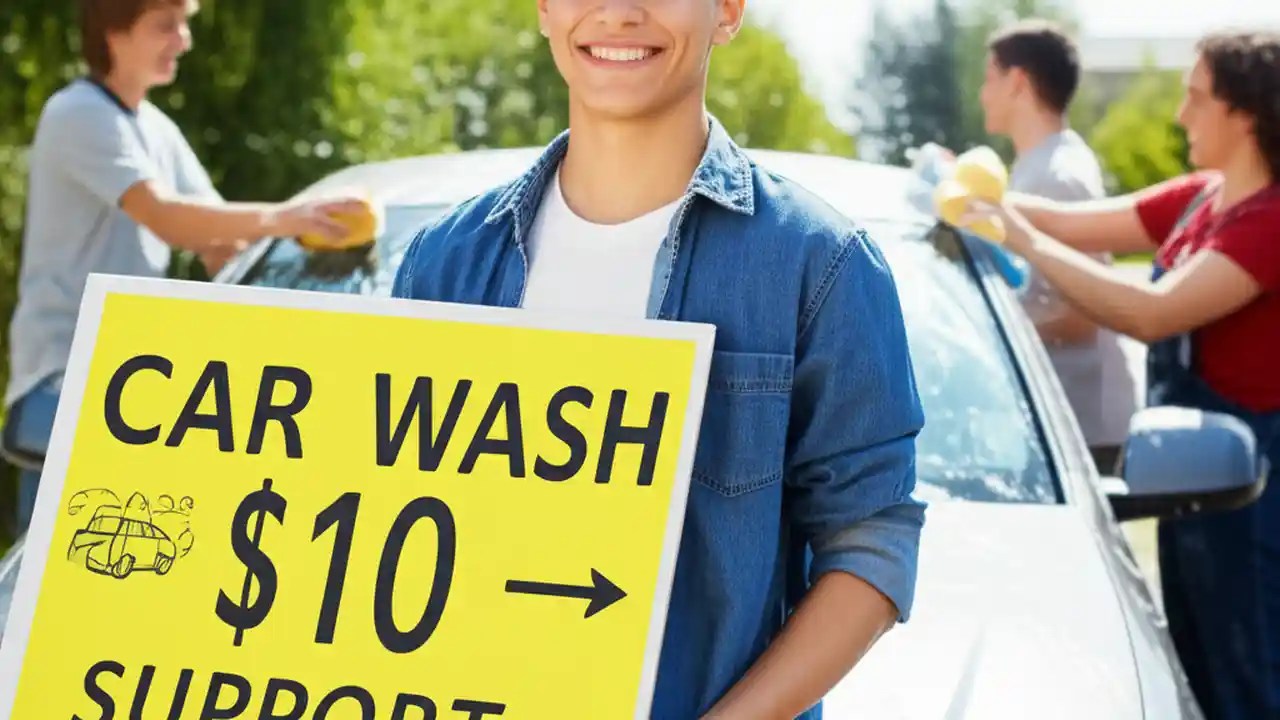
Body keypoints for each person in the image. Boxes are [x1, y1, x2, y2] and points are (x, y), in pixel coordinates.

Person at [393, 1, 925, 717]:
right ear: (546, 9)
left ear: (728, 11)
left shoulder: (821, 265)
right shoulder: (442, 262)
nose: (618, 12)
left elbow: (870, 543)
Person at [962, 31, 1280, 720]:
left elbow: (1150, 313)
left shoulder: (1270, 222)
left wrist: (1019, 238)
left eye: (1196, 98)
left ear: (1245, 113)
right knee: (1198, 677)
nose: (1180, 115)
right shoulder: (1204, 198)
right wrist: (961, 194)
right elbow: (1070, 220)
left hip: (1253, 501)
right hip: (1186, 483)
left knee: (1247, 686)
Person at [1, 0, 361, 531]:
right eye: (166, 25)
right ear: (115, 33)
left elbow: (218, 239)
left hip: (123, 382)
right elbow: (167, 218)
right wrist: (287, 217)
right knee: (53, 576)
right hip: (64, 378)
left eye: (185, 23)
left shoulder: (154, 128)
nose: (185, 40)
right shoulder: (78, 113)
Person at [978, 19, 1136, 474]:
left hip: (1082, 428)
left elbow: (1083, 315)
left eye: (990, 78)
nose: (983, 94)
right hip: (1070, 420)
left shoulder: (1058, 175)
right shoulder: (1038, 166)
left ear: (1018, 82)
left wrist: (986, 330)